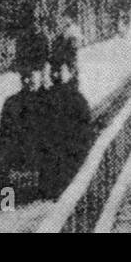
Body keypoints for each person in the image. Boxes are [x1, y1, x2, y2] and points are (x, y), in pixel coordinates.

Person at [0, 28, 52, 202]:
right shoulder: (15, 103)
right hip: (29, 176)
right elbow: (6, 142)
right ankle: (7, 208)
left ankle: (7, 205)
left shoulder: (48, 101)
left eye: (31, 74)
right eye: (25, 75)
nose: (28, 79)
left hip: (36, 176)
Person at [38, 29, 92, 199]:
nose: (54, 75)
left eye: (59, 71)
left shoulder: (76, 101)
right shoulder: (44, 98)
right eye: (53, 71)